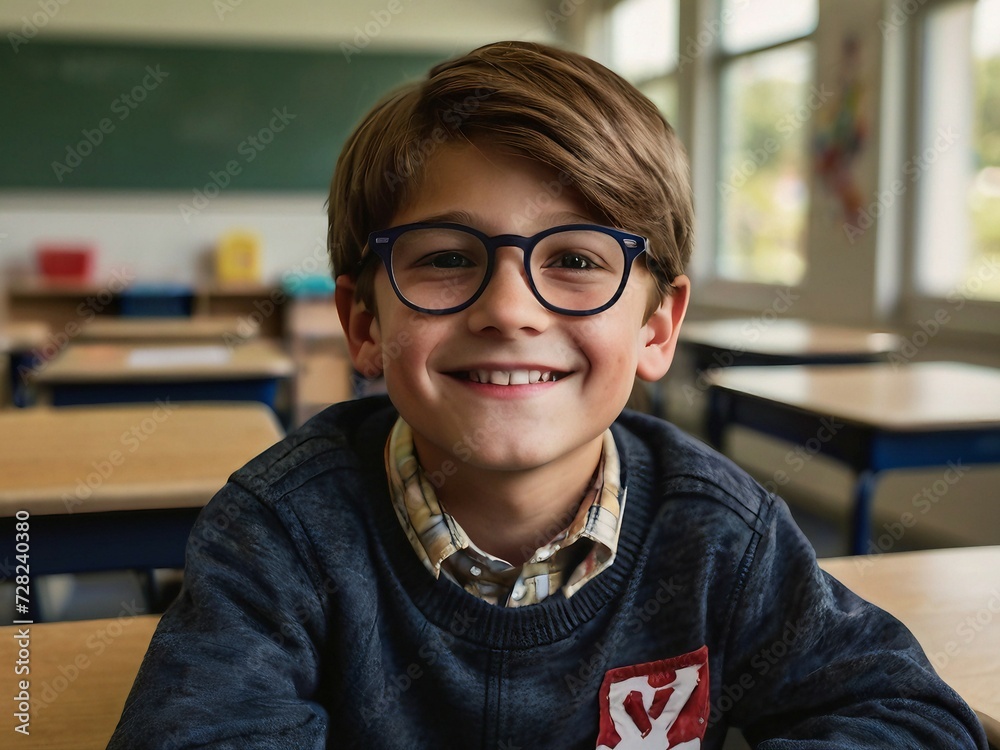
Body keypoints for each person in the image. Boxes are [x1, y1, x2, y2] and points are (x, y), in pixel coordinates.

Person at [108, 41, 987, 749]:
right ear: (363, 324)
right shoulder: (282, 532)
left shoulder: (718, 533)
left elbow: (909, 716)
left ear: (655, 328)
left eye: (574, 260)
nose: (508, 310)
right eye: (447, 258)